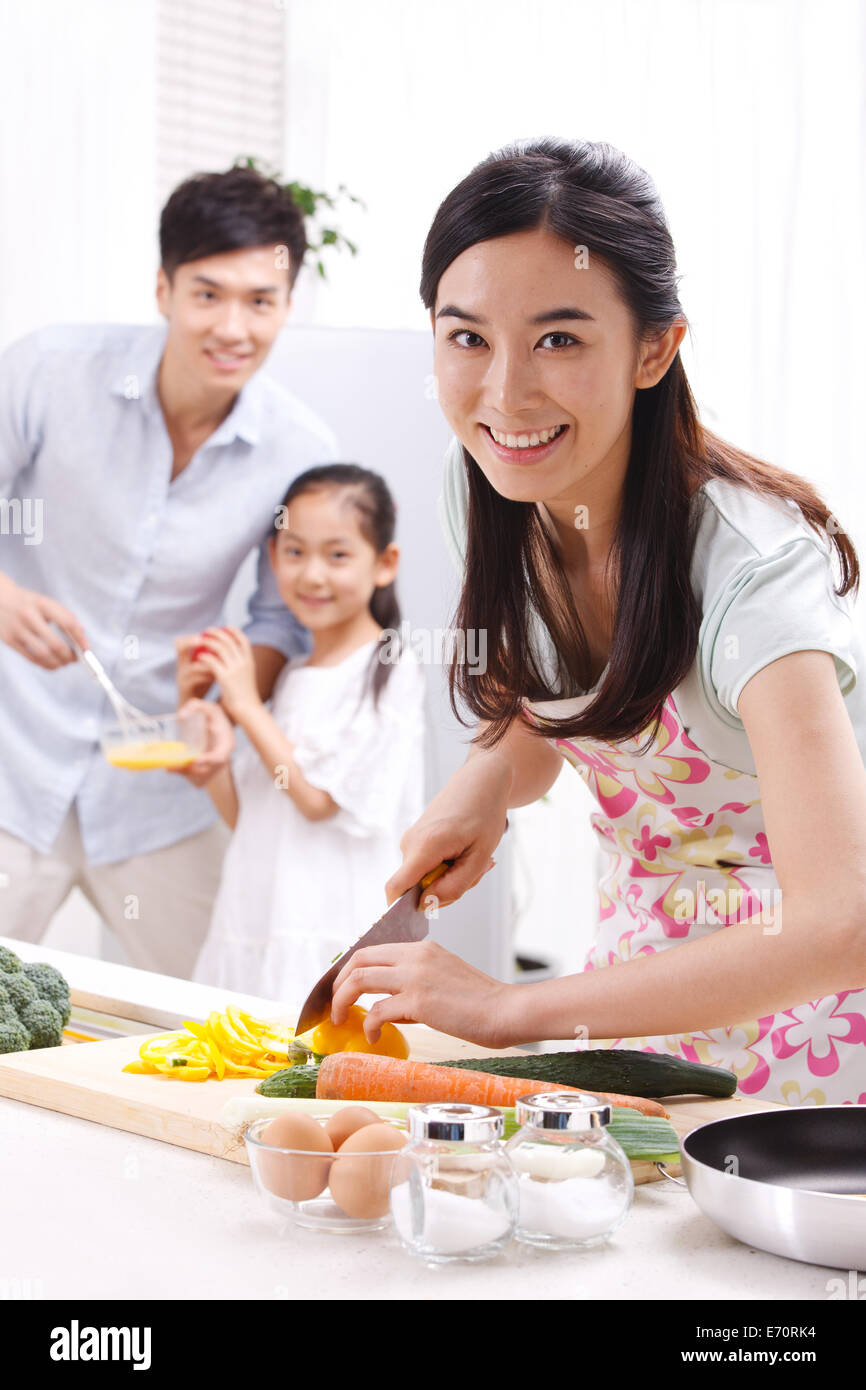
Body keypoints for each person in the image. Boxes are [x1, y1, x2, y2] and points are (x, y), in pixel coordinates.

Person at [328, 137, 866, 1106]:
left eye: (558, 339)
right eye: (466, 338)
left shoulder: (752, 574)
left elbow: (839, 922)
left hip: (824, 1017)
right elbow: (558, 700)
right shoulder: (494, 485)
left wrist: (505, 1011)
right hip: (638, 982)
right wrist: (489, 777)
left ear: (653, 348)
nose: (504, 394)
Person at [0, 166, 335, 976]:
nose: (234, 327)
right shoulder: (47, 370)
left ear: (288, 305)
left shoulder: (303, 454)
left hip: (159, 788)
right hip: (14, 759)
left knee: (218, 1018)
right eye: (208, 294)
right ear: (163, 287)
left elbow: (280, 617)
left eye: (261, 301)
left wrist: (227, 699)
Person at [188, 464, 427, 1002]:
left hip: (325, 926)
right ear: (272, 560)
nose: (313, 574)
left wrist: (246, 703)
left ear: (384, 563)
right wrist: (209, 757)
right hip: (258, 916)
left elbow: (318, 801)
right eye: (294, 552)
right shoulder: (292, 676)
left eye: (337, 554)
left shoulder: (389, 670)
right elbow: (249, 815)